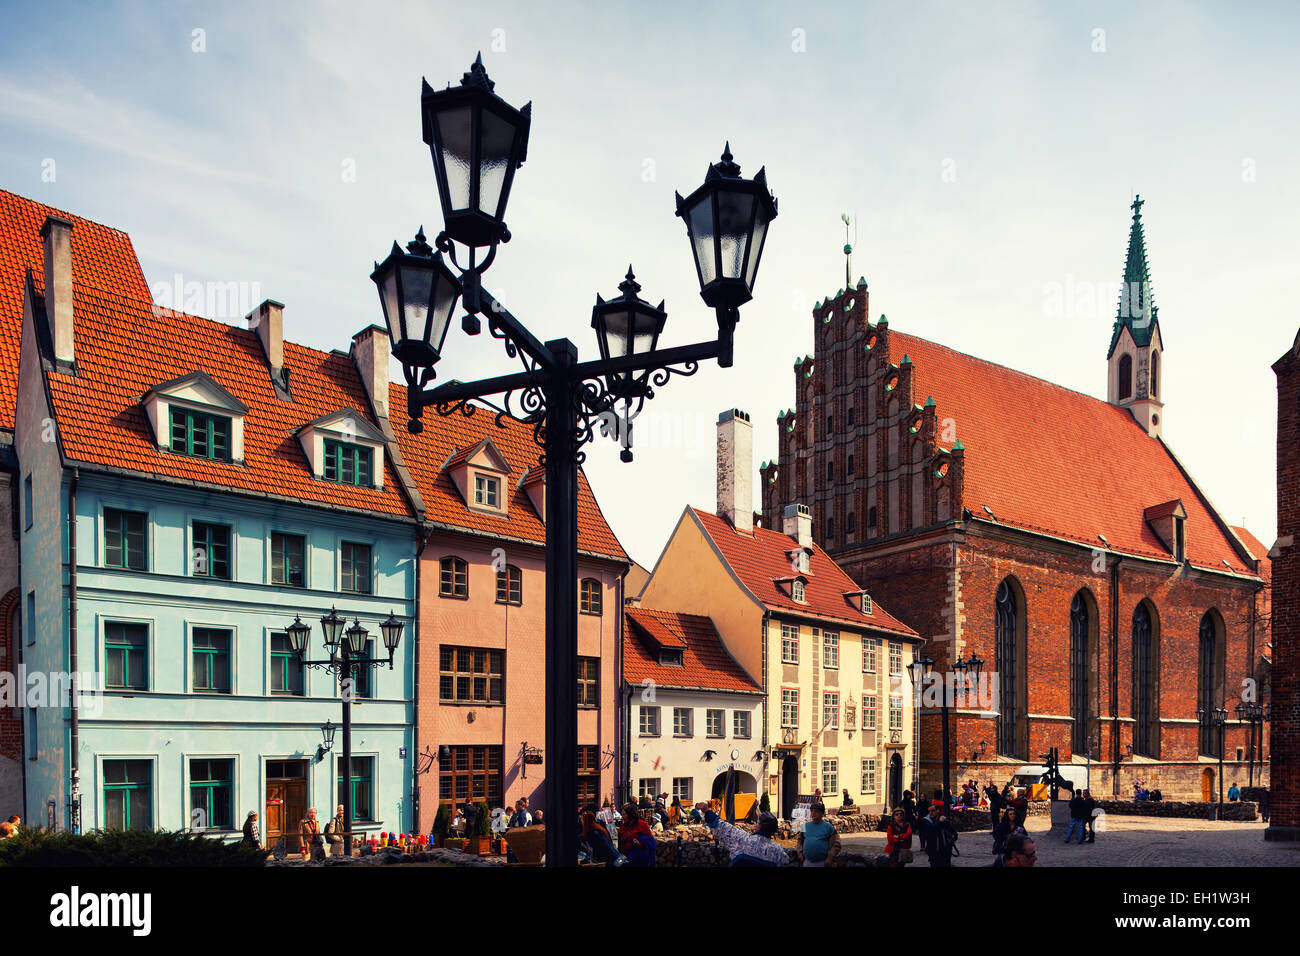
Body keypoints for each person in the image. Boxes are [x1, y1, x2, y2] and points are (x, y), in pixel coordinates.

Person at [706, 808, 788, 866]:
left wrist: (707, 810)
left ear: (758, 827)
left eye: (757, 822)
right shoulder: (778, 850)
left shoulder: (743, 840)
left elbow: (722, 826)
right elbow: (786, 860)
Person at [797, 802, 839, 867]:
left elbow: (836, 844)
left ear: (822, 813)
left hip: (823, 862)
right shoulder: (805, 825)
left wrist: (830, 857)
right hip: (807, 862)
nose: (813, 813)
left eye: (816, 811)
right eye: (811, 811)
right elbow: (799, 840)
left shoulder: (828, 827)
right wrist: (799, 853)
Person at [917, 800, 958, 867]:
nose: (930, 813)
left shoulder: (944, 821)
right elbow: (931, 829)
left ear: (937, 811)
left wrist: (952, 839)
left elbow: (954, 834)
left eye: (933, 811)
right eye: (929, 811)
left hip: (945, 852)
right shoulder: (926, 821)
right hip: (933, 851)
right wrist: (939, 822)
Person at [618, 802, 657, 866]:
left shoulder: (642, 824)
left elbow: (651, 843)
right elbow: (620, 842)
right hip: (625, 859)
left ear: (630, 814)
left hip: (639, 860)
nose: (622, 817)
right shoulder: (623, 826)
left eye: (624, 814)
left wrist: (640, 844)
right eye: (622, 814)